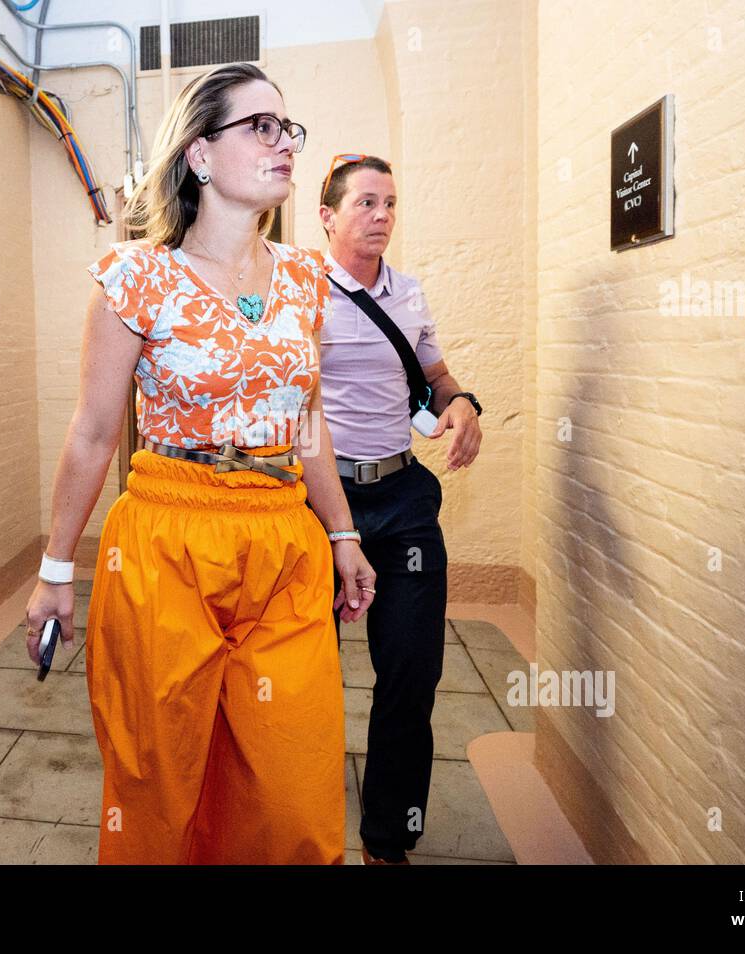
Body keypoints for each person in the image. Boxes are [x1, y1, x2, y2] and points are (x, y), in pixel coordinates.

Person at [23, 63, 377, 865]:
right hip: (166, 541)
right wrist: (54, 570)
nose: (283, 142)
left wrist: (343, 536)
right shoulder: (135, 278)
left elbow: (308, 419)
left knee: (293, 788)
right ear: (200, 154)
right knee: (160, 785)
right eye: (260, 126)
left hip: (281, 541)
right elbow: (92, 433)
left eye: (288, 128)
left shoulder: (303, 281)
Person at [314, 154, 483, 864]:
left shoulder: (408, 293)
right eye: (366, 204)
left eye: (390, 204)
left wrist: (463, 403)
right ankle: (297, 813)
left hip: (402, 500)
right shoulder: (298, 291)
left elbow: (435, 378)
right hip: (318, 503)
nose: (382, 216)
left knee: (411, 674)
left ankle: (389, 837)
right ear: (327, 216)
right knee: (301, 673)